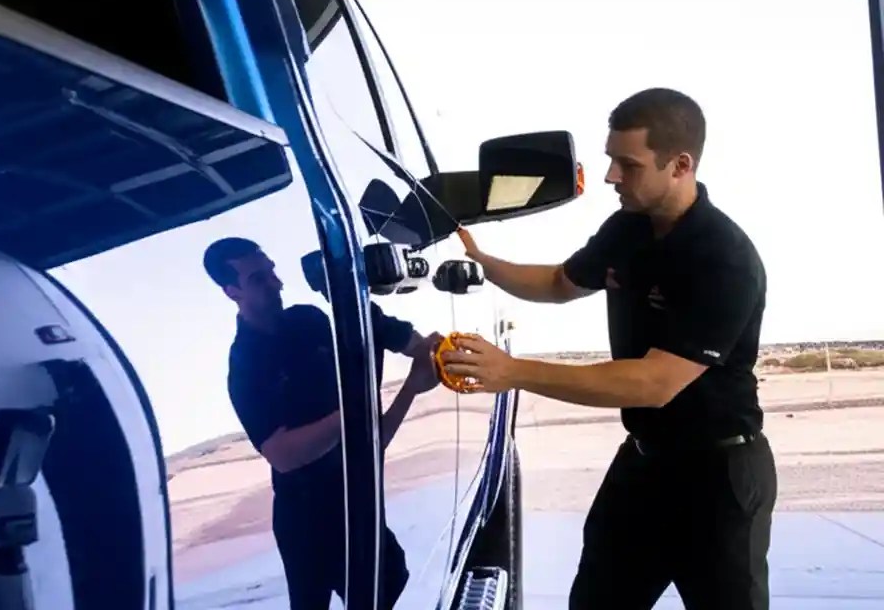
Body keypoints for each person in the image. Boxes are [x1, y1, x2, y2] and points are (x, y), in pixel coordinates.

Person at [440, 88, 777, 610]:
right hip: (643, 466)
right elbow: (559, 282)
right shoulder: (628, 229)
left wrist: (514, 371)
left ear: (680, 165)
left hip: (719, 478)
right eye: (611, 160)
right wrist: (482, 262)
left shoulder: (724, 258)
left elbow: (652, 384)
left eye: (628, 164)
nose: (610, 177)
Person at [202, 237, 440, 610]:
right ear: (231, 292)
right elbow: (283, 455)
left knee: (390, 578)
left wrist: (414, 376)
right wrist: (352, 412)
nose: (276, 283)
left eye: (272, 272)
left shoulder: (310, 322)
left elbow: (367, 439)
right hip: (306, 520)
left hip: (356, 496)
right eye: (258, 279)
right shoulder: (244, 367)